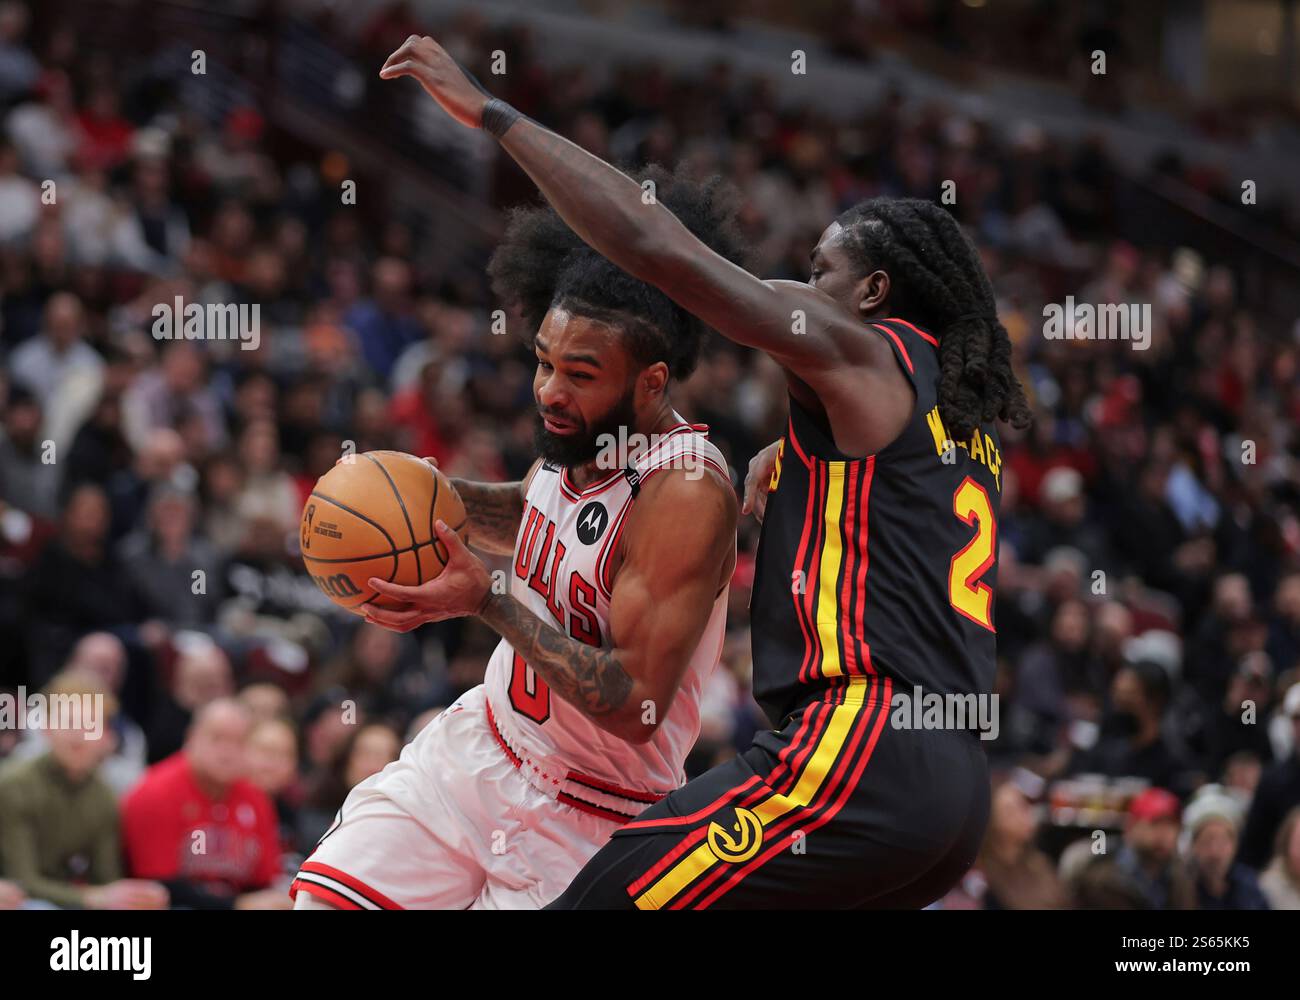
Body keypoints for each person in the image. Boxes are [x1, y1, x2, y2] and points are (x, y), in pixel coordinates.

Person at [379, 33, 1028, 907]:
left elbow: (662, 250)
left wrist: (496, 116)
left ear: (872, 294)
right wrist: (795, 464)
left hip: (856, 752)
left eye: (818, 272)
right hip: (951, 792)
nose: (800, 288)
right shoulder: (955, 418)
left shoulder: (863, 349)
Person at [290, 169, 740, 909]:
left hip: (593, 817)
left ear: (652, 383)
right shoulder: (582, 434)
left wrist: (489, 601)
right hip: (480, 749)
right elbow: (530, 511)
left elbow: (633, 701)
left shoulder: (684, 491)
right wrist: (422, 500)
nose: (550, 392)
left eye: (580, 374)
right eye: (543, 361)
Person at [0, 673, 167, 909]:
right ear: (47, 728)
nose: (78, 735)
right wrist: (91, 898)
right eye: (68, 723)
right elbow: (21, 881)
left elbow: (106, 879)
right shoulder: (12, 785)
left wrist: (130, 896)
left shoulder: (106, 796)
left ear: (107, 736)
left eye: (90, 724)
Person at [121, 698, 287, 909]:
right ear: (191, 738)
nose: (227, 752)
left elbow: (264, 882)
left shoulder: (256, 799)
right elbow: (156, 887)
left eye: (239, 742)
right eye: (217, 739)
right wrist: (237, 905)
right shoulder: (154, 792)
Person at [1184, 784, 1269, 910]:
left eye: (1223, 842)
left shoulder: (1249, 886)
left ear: (1235, 845)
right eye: (1207, 841)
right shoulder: (1180, 888)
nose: (1215, 852)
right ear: (1193, 846)